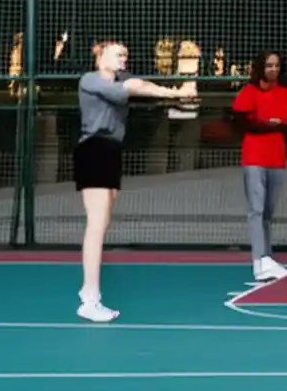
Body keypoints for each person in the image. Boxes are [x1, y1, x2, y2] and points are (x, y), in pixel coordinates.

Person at [75, 40, 197, 322]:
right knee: (96, 224)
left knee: (102, 223)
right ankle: (90, 298)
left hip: (112, 151)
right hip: (93, 148)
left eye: (125, 55)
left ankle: (88, 290)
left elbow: (142, 84)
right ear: (100, 55)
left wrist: (176, 95)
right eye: (118, 54)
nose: (123, 59)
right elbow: (133, 89)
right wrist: (176, 92)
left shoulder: (123, 78)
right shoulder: (91, 80)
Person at [232, 51, 287, 282]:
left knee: (268, 213)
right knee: (256, 211)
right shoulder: (249, 92)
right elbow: (244, 122)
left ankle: (267, 258)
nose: (273, 69)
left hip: (277, 158)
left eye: (277, 65)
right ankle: (259, 260)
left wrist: (277, 126)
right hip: (254, 158)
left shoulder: (286, 93)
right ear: (260, 67)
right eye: (269, 65)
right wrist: (270, 125)